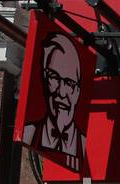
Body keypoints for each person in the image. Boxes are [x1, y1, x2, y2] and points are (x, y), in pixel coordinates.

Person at [22, 32, 86, 173]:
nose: (61, 93)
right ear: (44, 80)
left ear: (78, 92)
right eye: (54, 77)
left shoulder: (85, 144)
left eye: (69, 83)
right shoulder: (28, 133)